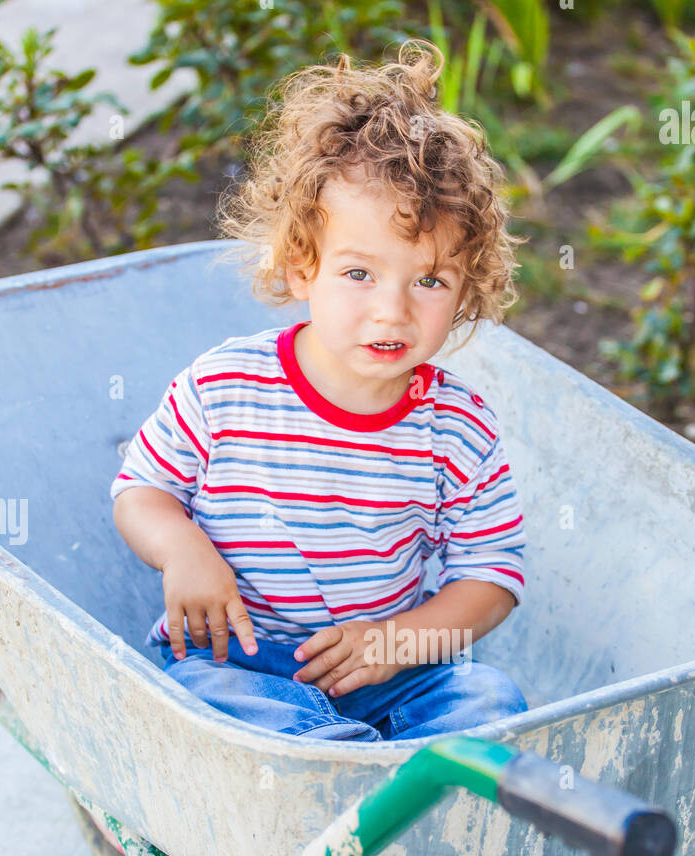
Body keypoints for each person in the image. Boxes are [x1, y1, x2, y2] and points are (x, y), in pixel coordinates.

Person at [110, 40, 529, 742]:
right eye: (359, 274)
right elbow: (140, 492)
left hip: (387, 669)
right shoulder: (225, 387)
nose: (392, 310)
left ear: (464, 293)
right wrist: (183, 550)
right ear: (302, 267)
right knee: (203, 705)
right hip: (237, 659)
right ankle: (349, 773)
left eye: (428, 281)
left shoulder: (456, 426)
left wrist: (396, 642)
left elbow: (490, 578)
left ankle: (350, 766)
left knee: (490, 700)